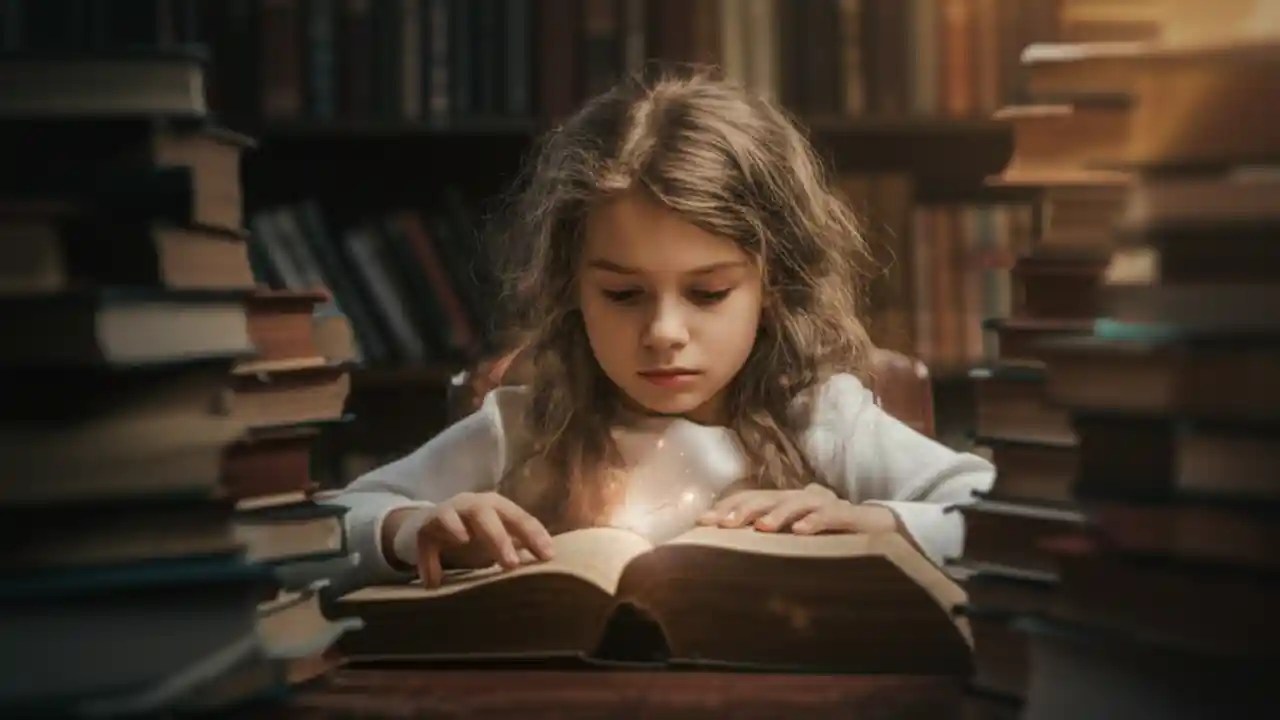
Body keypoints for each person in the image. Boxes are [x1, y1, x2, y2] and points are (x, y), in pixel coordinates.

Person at [327, 70, 994, 592]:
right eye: (622, 294)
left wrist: (885, 522)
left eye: (707, 293)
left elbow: (997, 520)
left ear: (774, 286)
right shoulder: (528, 427)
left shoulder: (822, 418)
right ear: (571, 288)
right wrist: (406, 528)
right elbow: (318, 530)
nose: (664, 332)